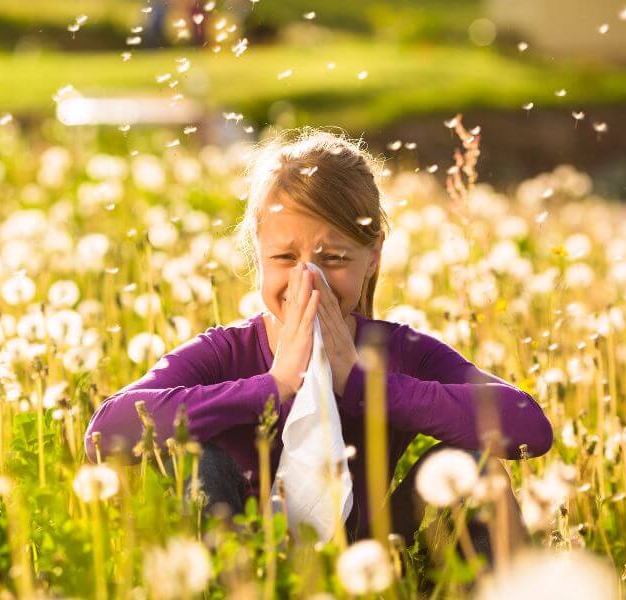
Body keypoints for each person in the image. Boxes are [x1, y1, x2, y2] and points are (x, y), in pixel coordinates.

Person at [83, 127, 553, 563]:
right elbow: (105, 433)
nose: (309, 279)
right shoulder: (226, 352)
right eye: (285, 257)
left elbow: (529, 427)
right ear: (258, 255)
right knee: (197, 458)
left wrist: (365, 385)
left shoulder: (400, 350)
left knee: (476, 467)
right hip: (244, 562)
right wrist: (273, 386)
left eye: (334, 258)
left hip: (373, 561)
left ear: (373, 259)